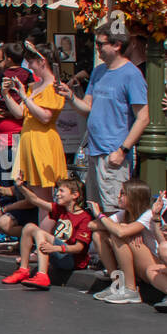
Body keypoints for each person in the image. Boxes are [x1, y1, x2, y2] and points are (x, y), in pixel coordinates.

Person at [56, 25, 149, 213]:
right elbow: (88, 108)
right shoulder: (98, 72)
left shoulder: (131, 74)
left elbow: (143, 117)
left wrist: (123, 150)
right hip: (94, 151)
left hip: (113, 153)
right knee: (96, 211)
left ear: (116, 45)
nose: (97, 48)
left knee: (114, 211)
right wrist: (71, 97)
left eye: (100, 44)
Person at [0, 42, 66, 207]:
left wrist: (24, 96)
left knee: (44, 200)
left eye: (31, 62)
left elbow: (45, 117)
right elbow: (20, 113)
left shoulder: (55, 87)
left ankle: (45, 232)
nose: (29, 67)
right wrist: (6, 94)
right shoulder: (35, 86)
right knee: (35, 199)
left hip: (43, 143)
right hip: (29, 143)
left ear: (42, 62)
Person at [0, 176, 92, 290]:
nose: (57, 194)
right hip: (57, 253)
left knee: (40, 233)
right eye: (57, 190)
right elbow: (35, 200)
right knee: (29, 227)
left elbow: (79, 248)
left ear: (75, 195)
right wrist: (21, 187)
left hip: (71, 260)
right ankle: (23, 270)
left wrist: (55, 249)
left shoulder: (84, 218)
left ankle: (42, 275)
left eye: (61, 191)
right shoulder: (61, 209)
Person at [90, 180, 167, 307]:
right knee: (99, 234)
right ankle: (117, 283)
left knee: (118, 234)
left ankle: (130, 289)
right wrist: (121, 225)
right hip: (142, 265)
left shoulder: (149, 214)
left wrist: (100, 215)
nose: (118, 197)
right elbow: (92, 225)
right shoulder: (124, 214)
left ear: (133, 196)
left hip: (155, 263)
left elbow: (121, 233)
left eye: (123, 193)